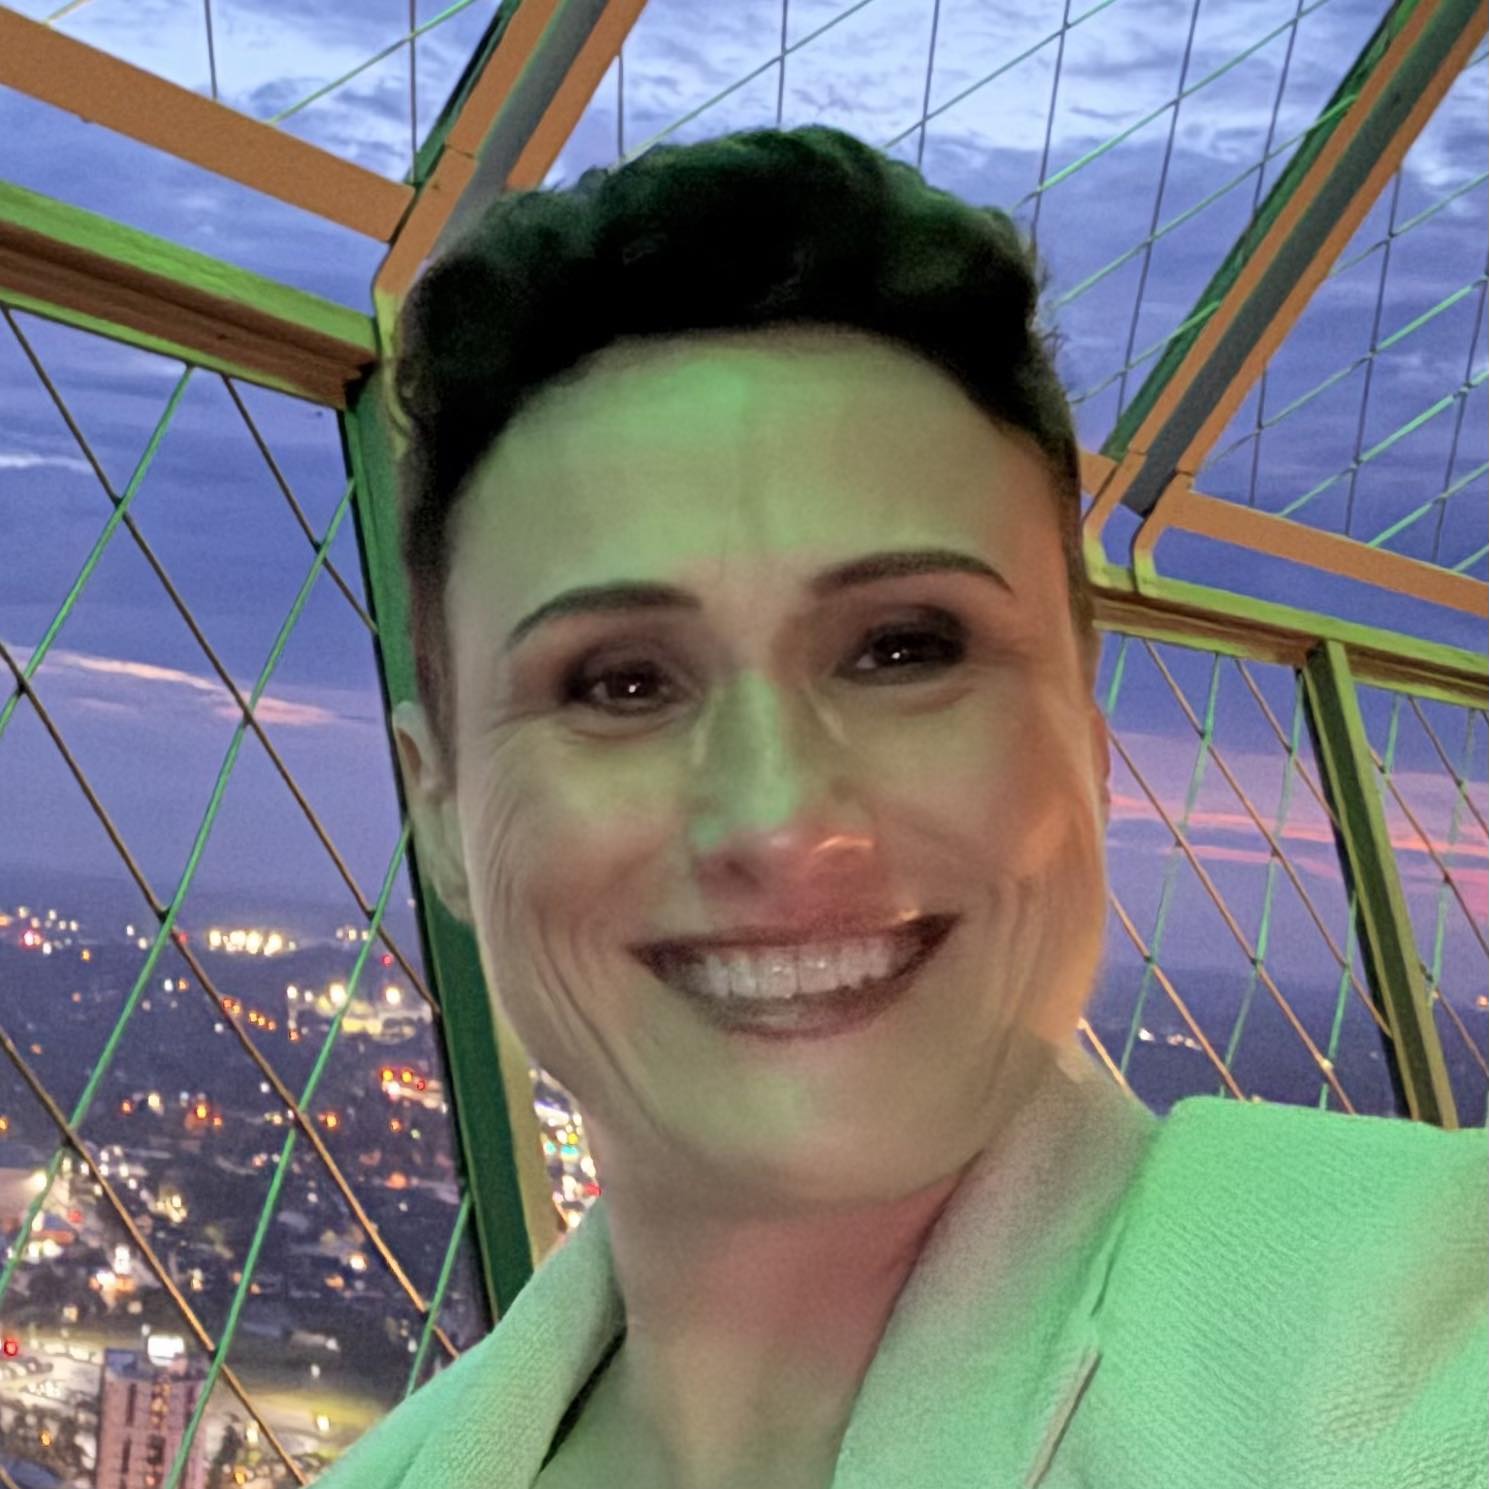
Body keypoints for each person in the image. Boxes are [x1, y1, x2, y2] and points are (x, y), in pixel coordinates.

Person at [313, 125, 1486, 1489]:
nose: (779, 817)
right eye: (622, 681)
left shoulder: (1410, 1319)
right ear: (440, 806)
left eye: (902, 649)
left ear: (1087, 740)